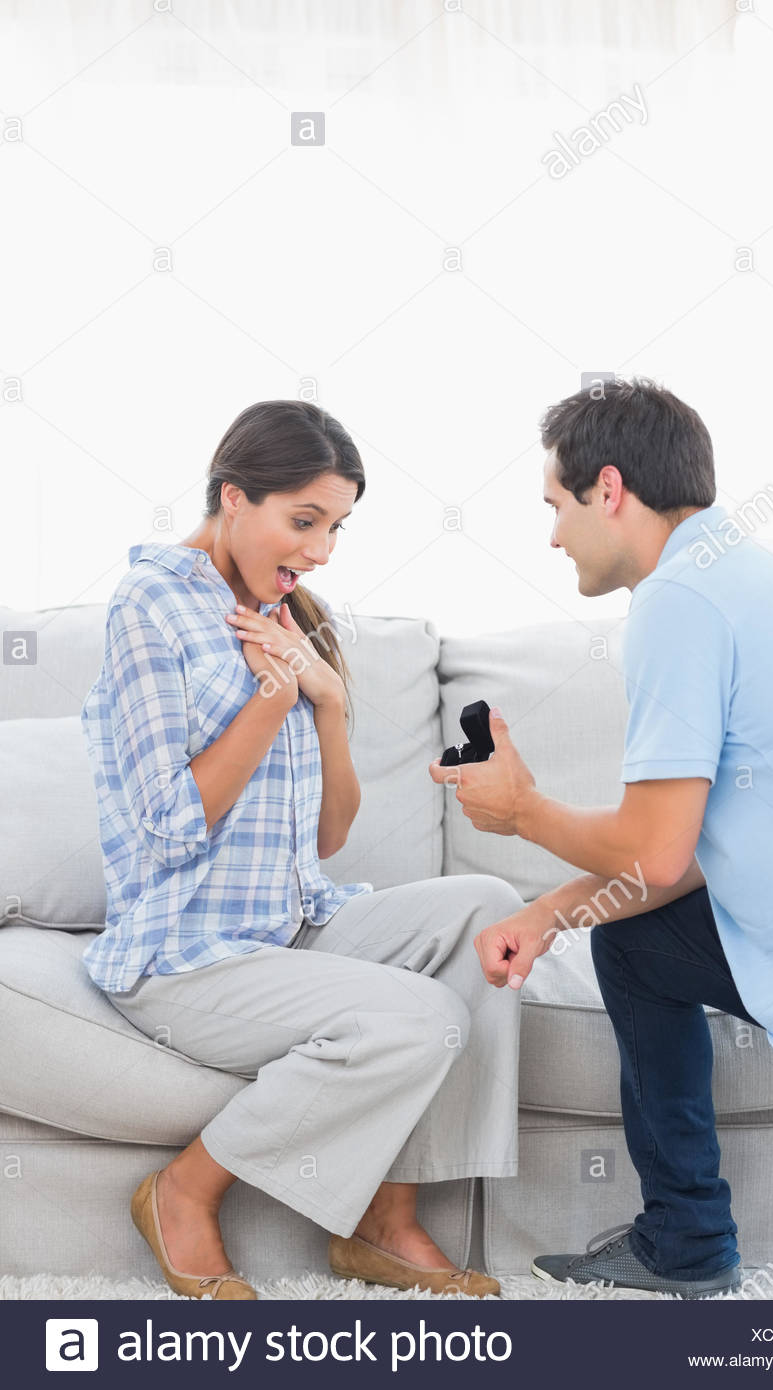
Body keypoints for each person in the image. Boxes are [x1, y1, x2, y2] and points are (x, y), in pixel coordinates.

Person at [430, 376, 773, 1301]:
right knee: (634, 948)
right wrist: (551, 912)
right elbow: (687, 845)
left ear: (611, 489)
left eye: (555, 504)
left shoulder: (678, 604)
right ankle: (688, 1242)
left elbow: (656, 854)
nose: (552, 534)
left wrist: (522, 812)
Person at [81, 400, 522, 1300]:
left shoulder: (281, 610)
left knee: (489, 908)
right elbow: (166, 828)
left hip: (288, 926)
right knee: (418, 1016)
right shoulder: (151, 608)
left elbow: (328, 836)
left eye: (337, 528)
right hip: (186, 955)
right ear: (233, 498)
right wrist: (269, 704)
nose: (320, 551)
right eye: (304, 521)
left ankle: (382, 1221)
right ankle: (181, 1194)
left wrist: (324, 703)